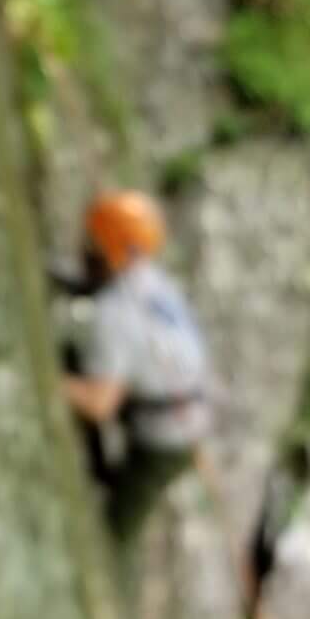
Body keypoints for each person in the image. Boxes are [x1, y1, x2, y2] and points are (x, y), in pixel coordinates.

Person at [55, 190, 214, 540]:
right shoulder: (150, 279)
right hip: (185, 412)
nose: (84, 247)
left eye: (92, 241)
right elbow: (102, 287)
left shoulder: (116, 315)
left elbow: (99, 404)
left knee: (114, 532)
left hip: (167, 438)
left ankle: (110, 583)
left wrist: (51, 383)